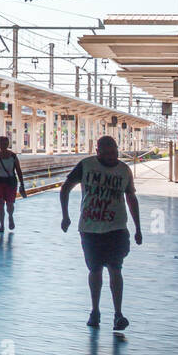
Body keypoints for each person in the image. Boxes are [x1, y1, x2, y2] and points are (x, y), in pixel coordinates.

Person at [60, 136, 142, 330]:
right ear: (97, 151)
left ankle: (118, 314)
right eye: (106, 153)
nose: (111, 156)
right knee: (95, 270)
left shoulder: (124, 170)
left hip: (117, 228)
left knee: (115, 269)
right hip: (90, 229)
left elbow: (131, 198)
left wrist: (138, 227)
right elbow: (65, 188)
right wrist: (65, 215)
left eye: (114, 152)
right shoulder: (86, 165)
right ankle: (95, 311)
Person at [0, 136, 27, 232]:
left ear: (8, 144)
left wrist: (22, 184)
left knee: (10, 204)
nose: (4, 145)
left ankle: (10, 216)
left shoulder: (13, 156)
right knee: (0, 204)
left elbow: (19, 171)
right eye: (2, 143)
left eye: (5, 143)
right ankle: (2, 225)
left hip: (10, 183)